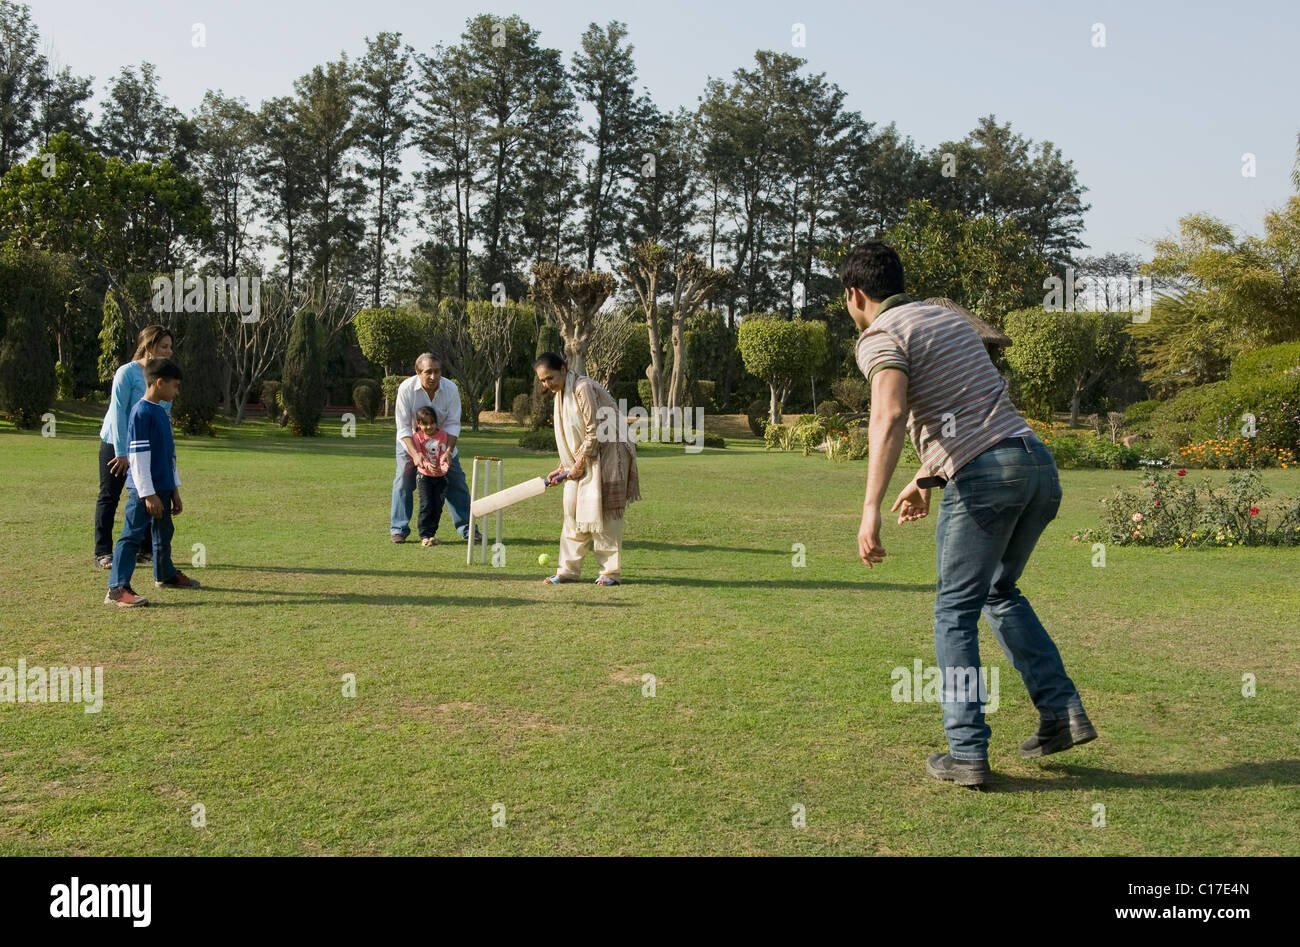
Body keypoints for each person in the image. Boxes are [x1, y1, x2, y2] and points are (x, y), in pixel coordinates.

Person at [842, 240, 1095, 788]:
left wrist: (869, 509)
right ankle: (1061, 713)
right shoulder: (945, 318)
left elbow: (887, 415)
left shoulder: (879, 335)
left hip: (987, 476)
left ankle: (967, 752)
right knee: (998, 591)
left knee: (954, 610)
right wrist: (924, 478)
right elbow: (968, 407)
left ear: (855, 294)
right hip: (1035, 465)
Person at [533, 352, 641, 586]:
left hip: (611, 451)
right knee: (571, 507)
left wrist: (577, 466)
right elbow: (572, 438)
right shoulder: (560, 395)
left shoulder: (581, 388)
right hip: (589, 452)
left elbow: (593, 432)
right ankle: (567, 571)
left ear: (563, 369)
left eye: (549, 378)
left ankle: (610, 573)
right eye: (542, 380)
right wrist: (562, 467)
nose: (546, 384)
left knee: (604, 512)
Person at [104, 358, 201, 607]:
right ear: (159, 383)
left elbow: (169, 456)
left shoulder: (160, 411)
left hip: (164, 488)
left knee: (163, 533)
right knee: (132, 535)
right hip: (144, 491)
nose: (177, 392)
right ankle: (117, 588)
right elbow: (137, 458)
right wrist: (148, 494)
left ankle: (164, 574)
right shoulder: (141, 413)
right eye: (175, 386)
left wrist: (174, 489)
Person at [95, 326, 175, 569]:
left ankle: (145, 549)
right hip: (116, 444)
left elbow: (164, 418)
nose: (169, 352)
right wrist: (121, 453)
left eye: (171, 347)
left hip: (145, 448)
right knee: (110, 496)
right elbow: (118, 414)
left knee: (147, 494)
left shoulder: (163, 377)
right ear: (149, 346)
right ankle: (102, 552)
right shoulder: (126, 373)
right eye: (164, 347)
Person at [390, 353, 476, 543]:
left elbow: (453, 424)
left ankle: (468, 529)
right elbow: (403, 427)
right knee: (403, 480)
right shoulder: (406, 389)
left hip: (443, 446)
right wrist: (416, 454)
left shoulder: (451, 389)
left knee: (457, 482)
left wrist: (448, 452)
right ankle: (399, 529)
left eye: (437, 371)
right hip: (410, 444)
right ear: (418, 372)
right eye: (428, 372)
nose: (433, 376)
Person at [412, 405, 451, 546]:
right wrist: (427, 465)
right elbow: (419, 454)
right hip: (425, 477)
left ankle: (432, 534)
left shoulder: (443, 435)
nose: (429, 426)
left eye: (432, 423)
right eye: (425, 424)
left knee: (437, 506)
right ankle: (424, 535)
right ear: (419, 424)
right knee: (426, 505)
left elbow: (443, 453)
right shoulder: (417, 437)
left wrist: (443, 464)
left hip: (441, 477)